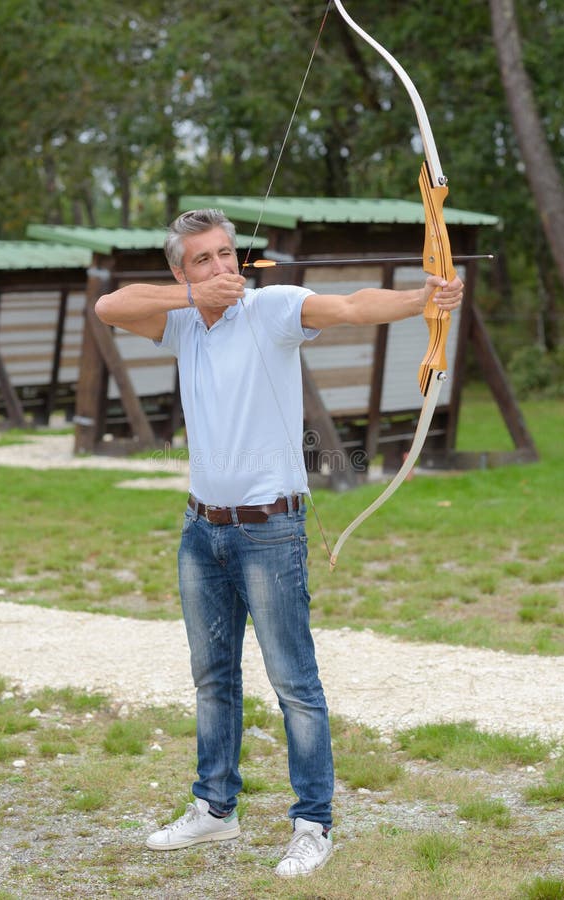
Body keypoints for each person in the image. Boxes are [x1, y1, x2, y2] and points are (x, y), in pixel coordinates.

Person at [95, 208, 463, 877]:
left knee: (293, 682)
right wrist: (192, 298)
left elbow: (350, 305)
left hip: (270, 529)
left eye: (227, 255)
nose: (221, 268)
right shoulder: (179, 321)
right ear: (181, 270)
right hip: (200, 528)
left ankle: (312, 823)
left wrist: (420, 298)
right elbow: (108, 305)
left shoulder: (272, 308)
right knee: (213, 680)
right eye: (203, 259)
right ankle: (215, 809)